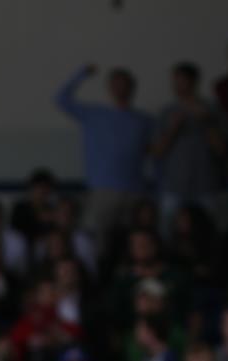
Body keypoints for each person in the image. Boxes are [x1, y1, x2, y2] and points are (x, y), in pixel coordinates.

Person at [53, 63, 153, 248]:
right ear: (110, 87)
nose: (120, 88)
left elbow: (154, 151)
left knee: (133, 243)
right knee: (98, 243)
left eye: (124, 84)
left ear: (132, 87)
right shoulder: (95, 114)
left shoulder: (143, 120)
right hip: (102, 191)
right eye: (116, 84)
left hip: (134, 191)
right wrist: (81, 74)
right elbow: (61, 100)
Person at [150, 62, 227, 234]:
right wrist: (173, 129)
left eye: (183, 80)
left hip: (206, 184)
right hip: (174, 186)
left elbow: (222, 150)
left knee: (208, 230)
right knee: (168, 231)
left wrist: (206, 122)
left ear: (194, 82)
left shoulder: (212, 110)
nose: (178, 85)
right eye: (175, 81)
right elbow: (156, 152)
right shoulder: (166, 112)